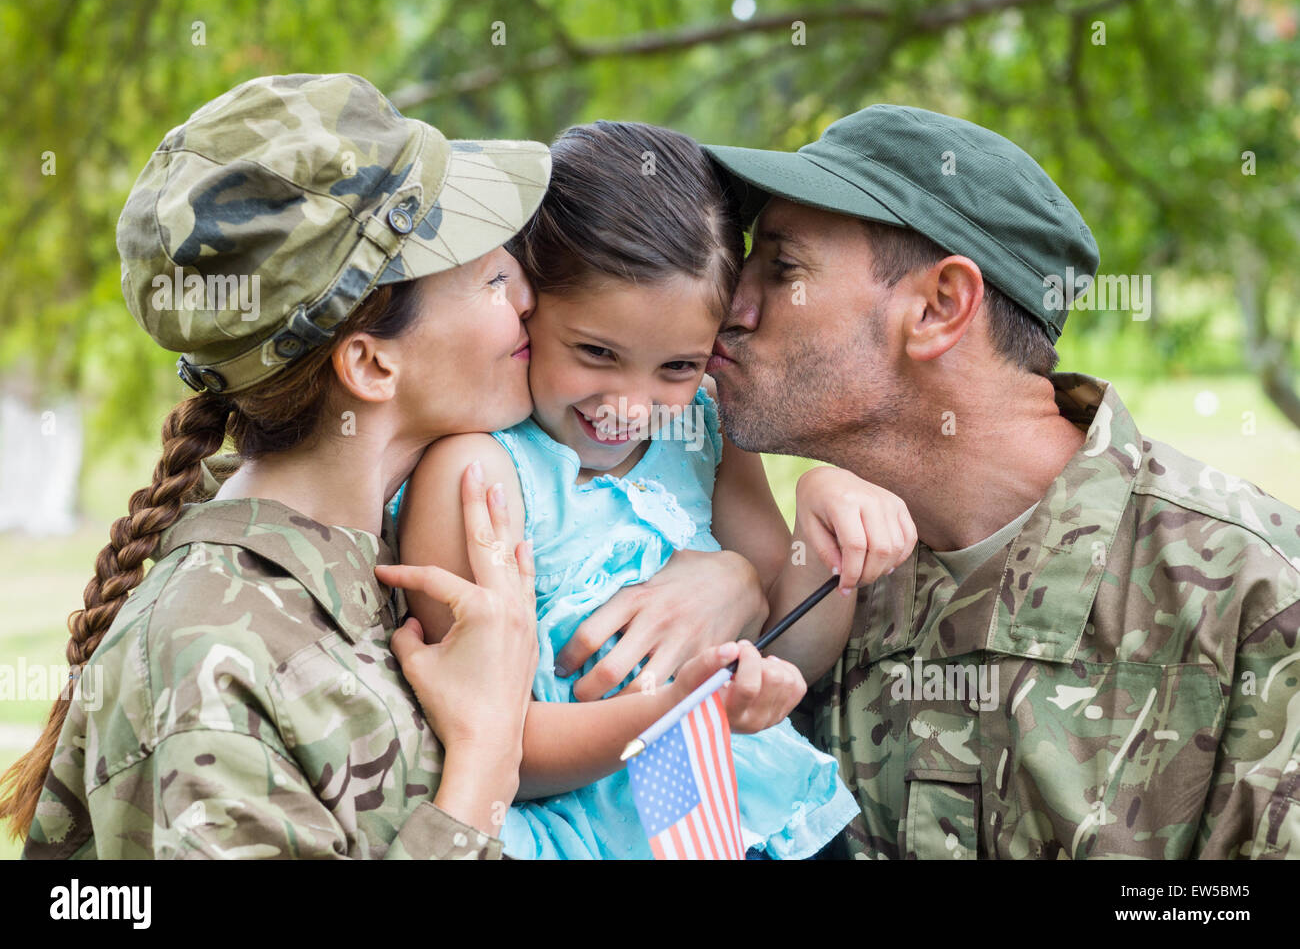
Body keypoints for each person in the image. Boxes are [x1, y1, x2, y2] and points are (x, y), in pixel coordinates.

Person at [0, 73, 761, 860]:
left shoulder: (405, 551)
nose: (533, 298)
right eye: (493, 278)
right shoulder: (207, 655)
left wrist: (732, 576)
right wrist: (482, 763)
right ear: (369, 365)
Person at [703, 104, 1300, 859]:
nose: (727, 304)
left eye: (781, 267)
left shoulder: (1258, 600)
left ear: (939, 307)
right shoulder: (823, 581)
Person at [390, 121, 913, 859]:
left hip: (755, 824)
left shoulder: (702, 429)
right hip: (607, 839)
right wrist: (678, 711)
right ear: (527, 302)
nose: (632, 404)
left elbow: (792, 641)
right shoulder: (480, 477)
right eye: (597, 352)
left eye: (676, 365)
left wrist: (828, 526)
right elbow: (494, 742)